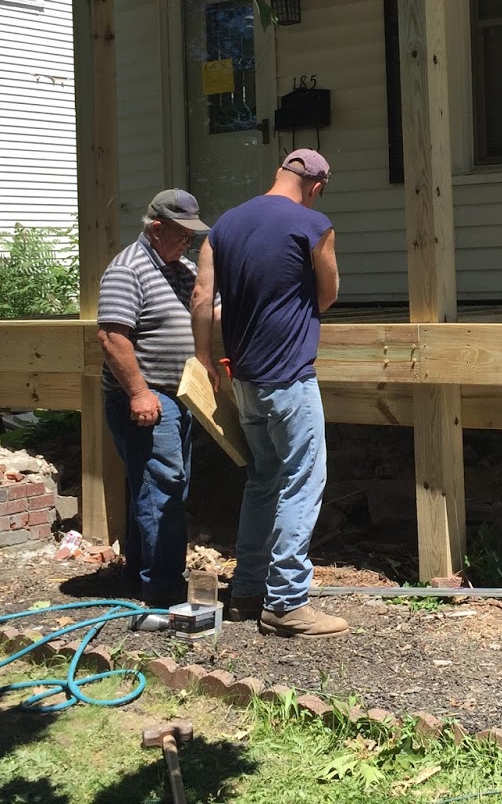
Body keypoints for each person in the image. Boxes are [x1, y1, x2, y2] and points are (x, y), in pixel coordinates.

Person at [199, 149, 346, 638]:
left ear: (279, 173)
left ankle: (245, 592)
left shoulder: (223, 226)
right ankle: (286, 603)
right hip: (290, 378)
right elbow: (328, 294)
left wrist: (204, 359)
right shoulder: (313, 224)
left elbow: (201, 297)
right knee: (301, 483)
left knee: (262, 480)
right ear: (316, 185)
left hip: (245, 381)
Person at [96, 189, 214, 606]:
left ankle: (137, 580)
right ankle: (163, 593)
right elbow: (112, 338)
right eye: (182, 235)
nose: (189, 243)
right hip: (148, 399)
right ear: (156, 228)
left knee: (159, 489)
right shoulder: (127, 269)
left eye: (192, 236)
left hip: (179, 398)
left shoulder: (179, 268)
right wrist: (140, 392)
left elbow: (208, 308)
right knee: (161, 490)